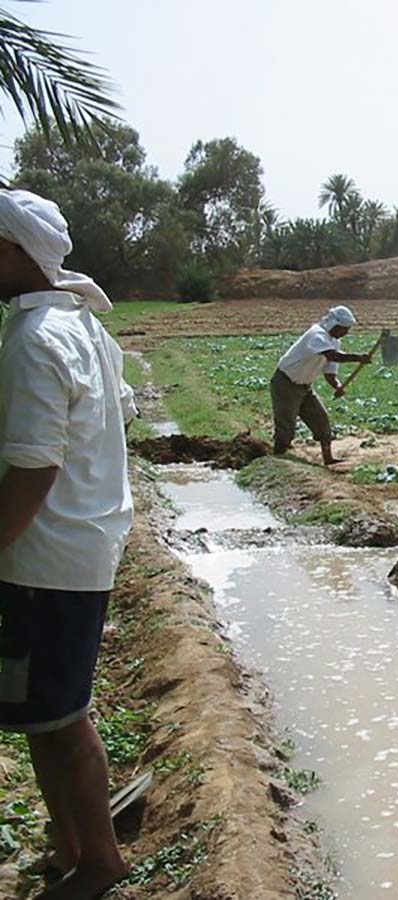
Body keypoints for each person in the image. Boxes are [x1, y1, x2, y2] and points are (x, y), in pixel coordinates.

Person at [0, 189, 138, 899]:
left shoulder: (35, 340)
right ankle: (68, 844)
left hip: (45, 558)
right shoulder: (80, 326)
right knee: (46, 713)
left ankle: (100, 862)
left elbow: (34, 468)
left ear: (16, 252)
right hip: (80, 545)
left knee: (58, 719)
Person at [271, 305, 372, 465]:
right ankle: (278, 459)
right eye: (344, 329)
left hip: (305, 386)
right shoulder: (316, 334)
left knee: (321, 421)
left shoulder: (334, 341)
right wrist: (357, 357)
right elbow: (332, 356)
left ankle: (328, 458)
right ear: (333, 324)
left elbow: (330, 372)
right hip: (286, 384)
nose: (346, 333)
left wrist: (337, 386)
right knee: (286, 425)